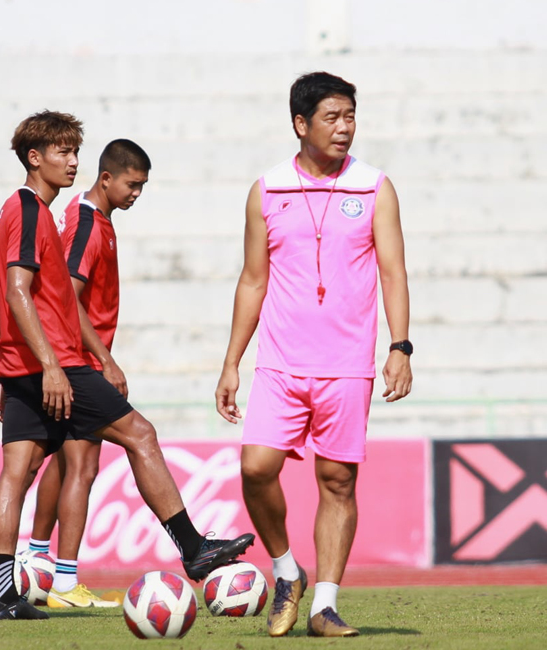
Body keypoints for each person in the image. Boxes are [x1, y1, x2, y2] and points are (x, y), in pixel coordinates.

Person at [0, 111, 254, 620]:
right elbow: (16, 291)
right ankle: (192, 548)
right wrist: (53, 367)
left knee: (17, 473)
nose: (73, 162)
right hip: (54, 364)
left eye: (75, 151)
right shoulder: (31, 211)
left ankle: (4, 596)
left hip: (28, 366)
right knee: (141, 435)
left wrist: (8, 369)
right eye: (63, 152)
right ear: (35, 158)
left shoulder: (27, 213)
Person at [215, 72, 412, 638]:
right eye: (332, 117)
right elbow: (253, 280)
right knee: (256, 468)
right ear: (300, 124)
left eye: (350, 116)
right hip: (279, 361)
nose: (344, 128)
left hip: (348, 363)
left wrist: (399, 345)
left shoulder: (375, 186)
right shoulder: (267, 189)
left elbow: (393, 272)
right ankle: (285, 570)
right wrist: (232, 361)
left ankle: (324, 605)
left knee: (337, 482)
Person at [26, 139, 151, 609]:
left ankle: (41, 566)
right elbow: (68, 295)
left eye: (142, 187)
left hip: (69, 359)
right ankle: (61, 580)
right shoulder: (86, 225)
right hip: (76, 361)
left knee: (59, 461)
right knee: (81, 464)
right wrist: (104, 360)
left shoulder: (95, 220)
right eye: (132, 184)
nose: (137, 194)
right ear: (107, 178)